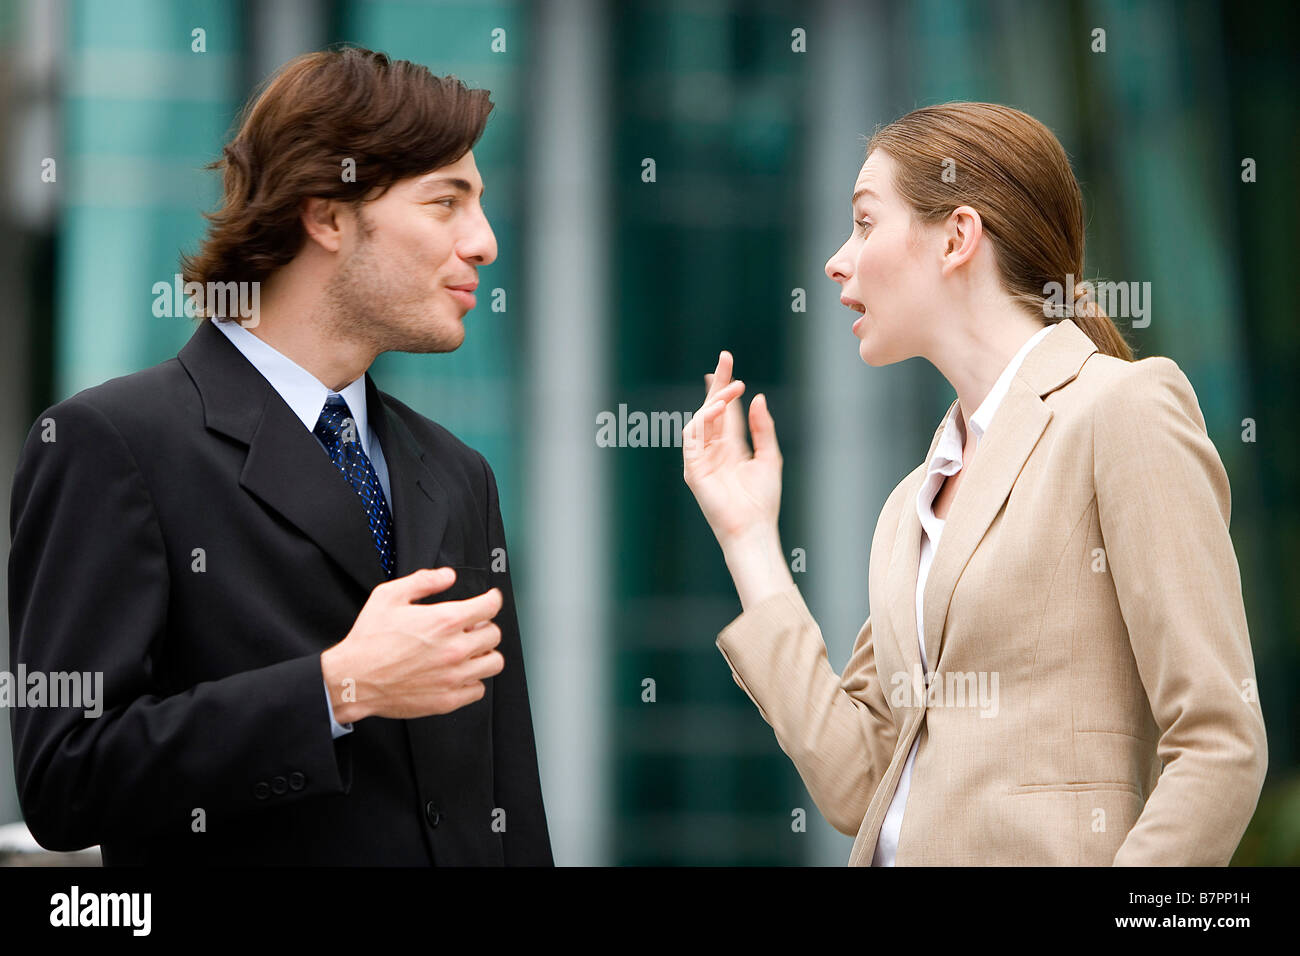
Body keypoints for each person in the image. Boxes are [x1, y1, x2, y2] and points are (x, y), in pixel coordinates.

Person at [682, 102, 1267, 866]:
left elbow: (1219, 744)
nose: (836, 260)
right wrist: (749, 536)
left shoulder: (1119, 411)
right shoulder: (908, 506)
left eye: (865, 222)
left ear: (958, 236)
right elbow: (863, 784)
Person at [8, 47, 552, 865]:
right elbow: (65, 779)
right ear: (328, 214)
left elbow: (508, 800)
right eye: (447, 202)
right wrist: (338, 688)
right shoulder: (113, 442)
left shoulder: (456, 471)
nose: (484, 243)